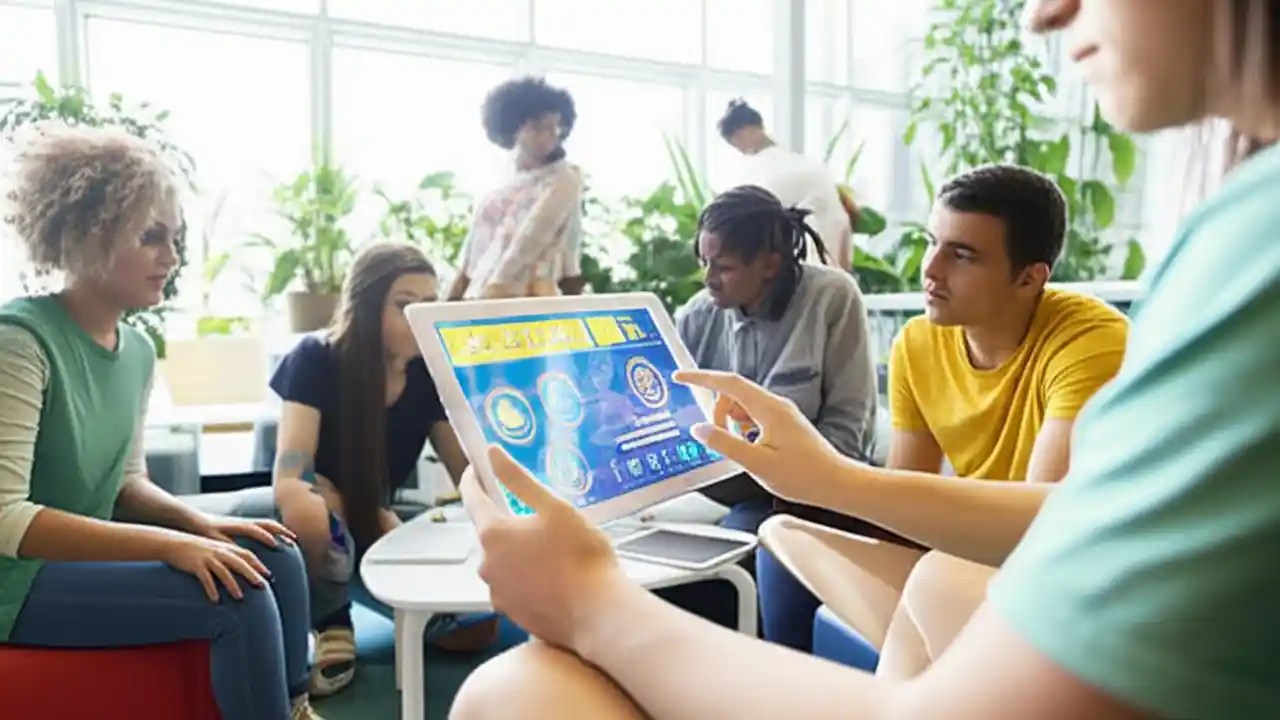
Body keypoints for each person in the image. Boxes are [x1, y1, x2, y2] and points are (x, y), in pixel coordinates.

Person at [449, 1, 1280, 717]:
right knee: (904, 572)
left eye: (963, 256)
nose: (1043, 14)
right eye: (932, 248)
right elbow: (1048, 522)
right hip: (936, 555)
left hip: (999, 588)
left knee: (517, 691)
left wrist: (592, 602)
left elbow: (1050, 518)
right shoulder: (910, 337)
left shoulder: (1230, 256)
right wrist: (823, 480)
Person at [0, 124, 322, 720]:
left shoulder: (139, 349)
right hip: (13, 582)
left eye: (174, 239)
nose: (171, 259)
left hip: (75, 559)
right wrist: (173, 546)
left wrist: (198, 525)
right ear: (88, 236)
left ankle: (297, 707)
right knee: (238, 597)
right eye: (151, 238)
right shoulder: (19, 343)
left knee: (273, 553)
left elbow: (123, 483)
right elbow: (4, 517)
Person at [757, 163, 1130, 653]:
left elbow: (1044, 529)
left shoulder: (1091, 341)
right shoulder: (918, 343)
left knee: (936, 579)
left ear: (1029, 278)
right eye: (933, 242)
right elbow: (901, 520)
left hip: (1064, 576)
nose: (930, 270)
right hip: (970, 563)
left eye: (963, 255)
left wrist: (830, 477)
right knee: (781, 536)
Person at [271, 241, 494, 697]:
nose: (417, 318)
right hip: (311, 524)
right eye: (404, 305)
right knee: (313, 509)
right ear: (366, 304)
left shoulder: (427, 374)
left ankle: (400, 601)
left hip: (376, 521)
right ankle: (331, 620)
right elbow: (292, 475)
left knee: (477, 633)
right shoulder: (315, 357)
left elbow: (465, 469)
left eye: (428, 306)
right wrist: (350, 509)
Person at [675, 185, 877, 533]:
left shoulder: (831, 297)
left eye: (724, 267)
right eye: (704, 262)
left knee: (744, 541)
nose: (709, 279)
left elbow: (847, 434)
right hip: (730, 485)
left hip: (819, 490)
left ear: (770, 264)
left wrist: (769, 474)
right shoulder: (697, 316)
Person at [446, 76, 585, 301]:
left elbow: (530, 243)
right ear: (514, 126)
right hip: (478, 296)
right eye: (539, 126)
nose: (549, 134)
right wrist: (449, 303)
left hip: (524, 297)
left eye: (555, 127)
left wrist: (492, 293)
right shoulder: (498, 184)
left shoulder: (563, 180)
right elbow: (472, 253)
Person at [718, 99, 853, 270]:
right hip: (835, 246)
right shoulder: (805, 163)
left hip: (809, 255)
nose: (742, 152)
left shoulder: (761, 171)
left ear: (740, 133)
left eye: (736, 145)